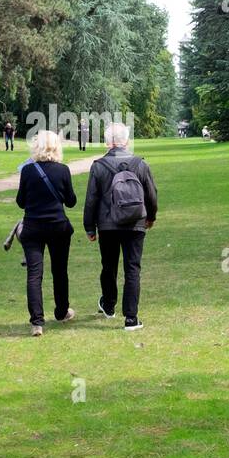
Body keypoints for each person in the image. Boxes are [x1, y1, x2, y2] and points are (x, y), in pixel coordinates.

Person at [83, 122, 157, 331]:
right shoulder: (140, 164)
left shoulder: (98, 166)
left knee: (109, 266)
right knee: (132, 268)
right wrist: (150, 217)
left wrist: (90, 227)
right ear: (126, 140)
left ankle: (108, 305)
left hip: (107, 225)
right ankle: (131, 318)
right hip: (135, 223)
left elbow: (91, 200)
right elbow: (151, 194)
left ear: (108, 142)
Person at [16, 131, 77, 336]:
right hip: (58, 226)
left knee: (34, 274)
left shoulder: (27, 171)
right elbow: (71, 201)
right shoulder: (63, 170)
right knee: (60, 271)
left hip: (33, 227)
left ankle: (37, 322)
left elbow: (21, 201)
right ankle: (61, 311)